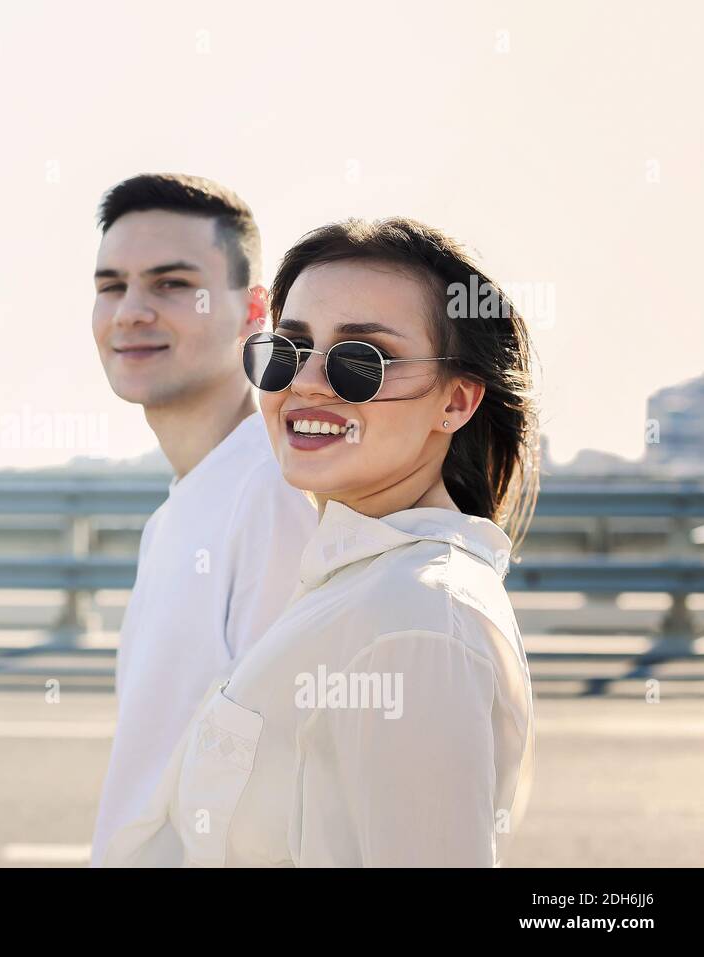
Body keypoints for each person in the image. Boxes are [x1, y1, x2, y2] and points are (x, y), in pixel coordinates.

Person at [100, 216, 541, 867]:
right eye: (287, 350)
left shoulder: (414, 622)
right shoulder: (355, 583)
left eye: (361, 361)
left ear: (456, 401)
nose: (305, 382)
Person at [87, 174, 318, 867]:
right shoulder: (183, 506)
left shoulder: (273, 494)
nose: (130, 311)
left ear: (254, 311)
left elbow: (280, 787)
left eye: (170, 283)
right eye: (111, 285)